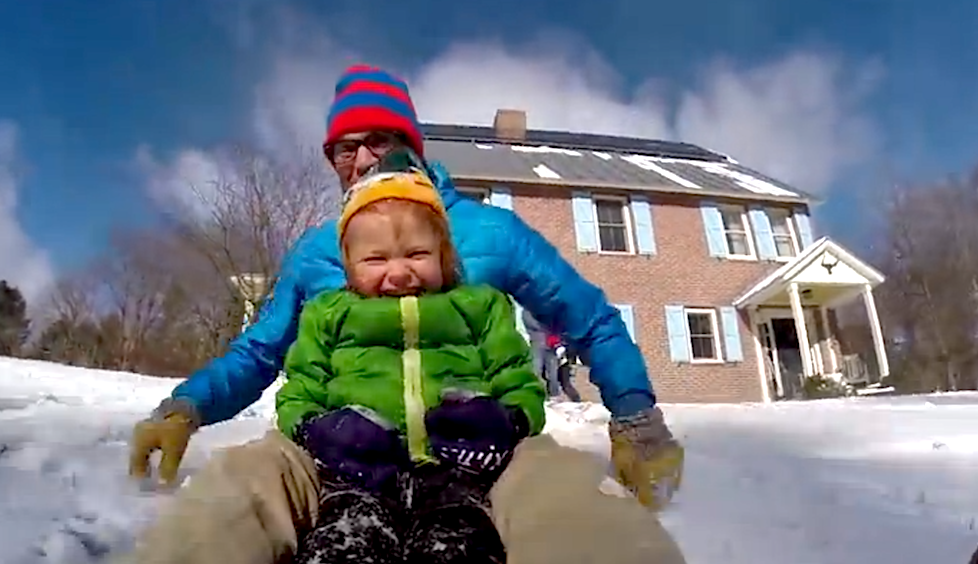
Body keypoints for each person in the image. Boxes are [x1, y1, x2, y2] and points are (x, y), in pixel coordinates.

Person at [123, 64, 686, 564]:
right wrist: (185, 407)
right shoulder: (319, 252)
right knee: (246, 478)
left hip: (479, 450)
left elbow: (589, 319)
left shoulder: (490, 232)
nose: (364, 157)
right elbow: (261, 350)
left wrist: (636, 419)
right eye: (346, 148)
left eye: (380, 139)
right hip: (341, 454)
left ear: (413, 144)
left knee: (563, 490)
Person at [279, 154, 544, 563]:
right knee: (344, 543)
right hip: (353, 475)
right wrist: (317, 430)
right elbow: (300, 388)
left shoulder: (480, 307)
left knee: (460, 546)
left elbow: (518, 380)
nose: (399, 273)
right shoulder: (327, 313)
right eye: (376, 259)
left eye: (417, 253)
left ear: (444, 254)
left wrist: (508, 420)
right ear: (348, 266)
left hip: (460, 476)